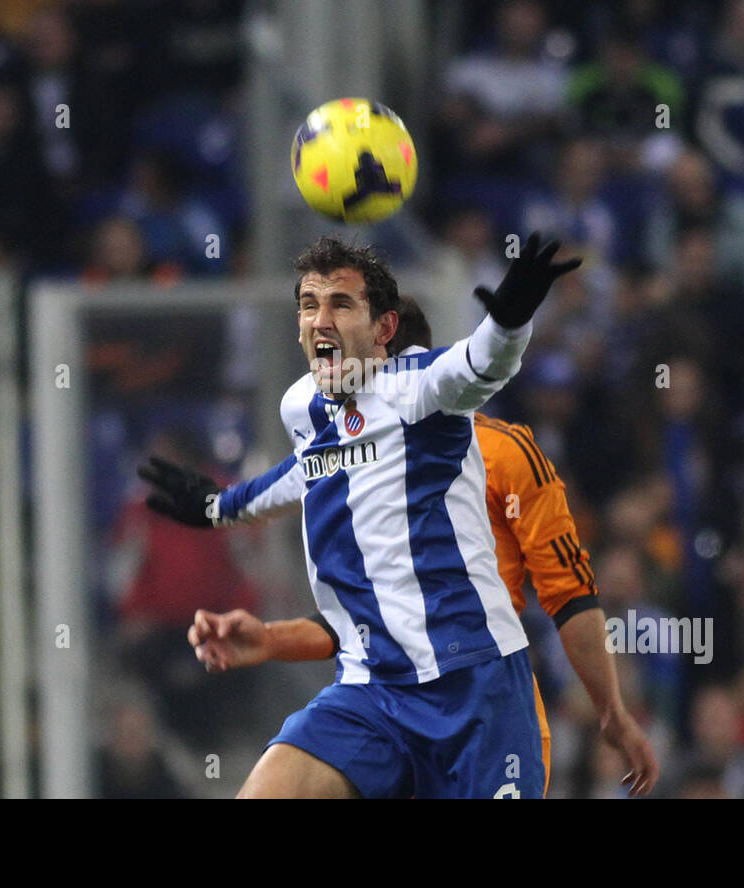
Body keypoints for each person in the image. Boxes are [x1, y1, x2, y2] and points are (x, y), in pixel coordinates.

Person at [140, 233, 578, 798]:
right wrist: (217, 507)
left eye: (341, 304)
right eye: (308, 304)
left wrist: (511, 319)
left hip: (474, 687)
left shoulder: (418, 389)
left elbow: (480, 363)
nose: (320, 320)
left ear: (384, 330)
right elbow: (306, 469)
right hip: (372, 691)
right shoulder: (304, 407)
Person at [180, 295, 659, 797]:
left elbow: (569, 594)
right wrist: (270, 639)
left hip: (480, 698)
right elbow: (367, 620)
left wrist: (612, 712)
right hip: (382, 703)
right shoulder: (340, 462)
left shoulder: (506, 454)